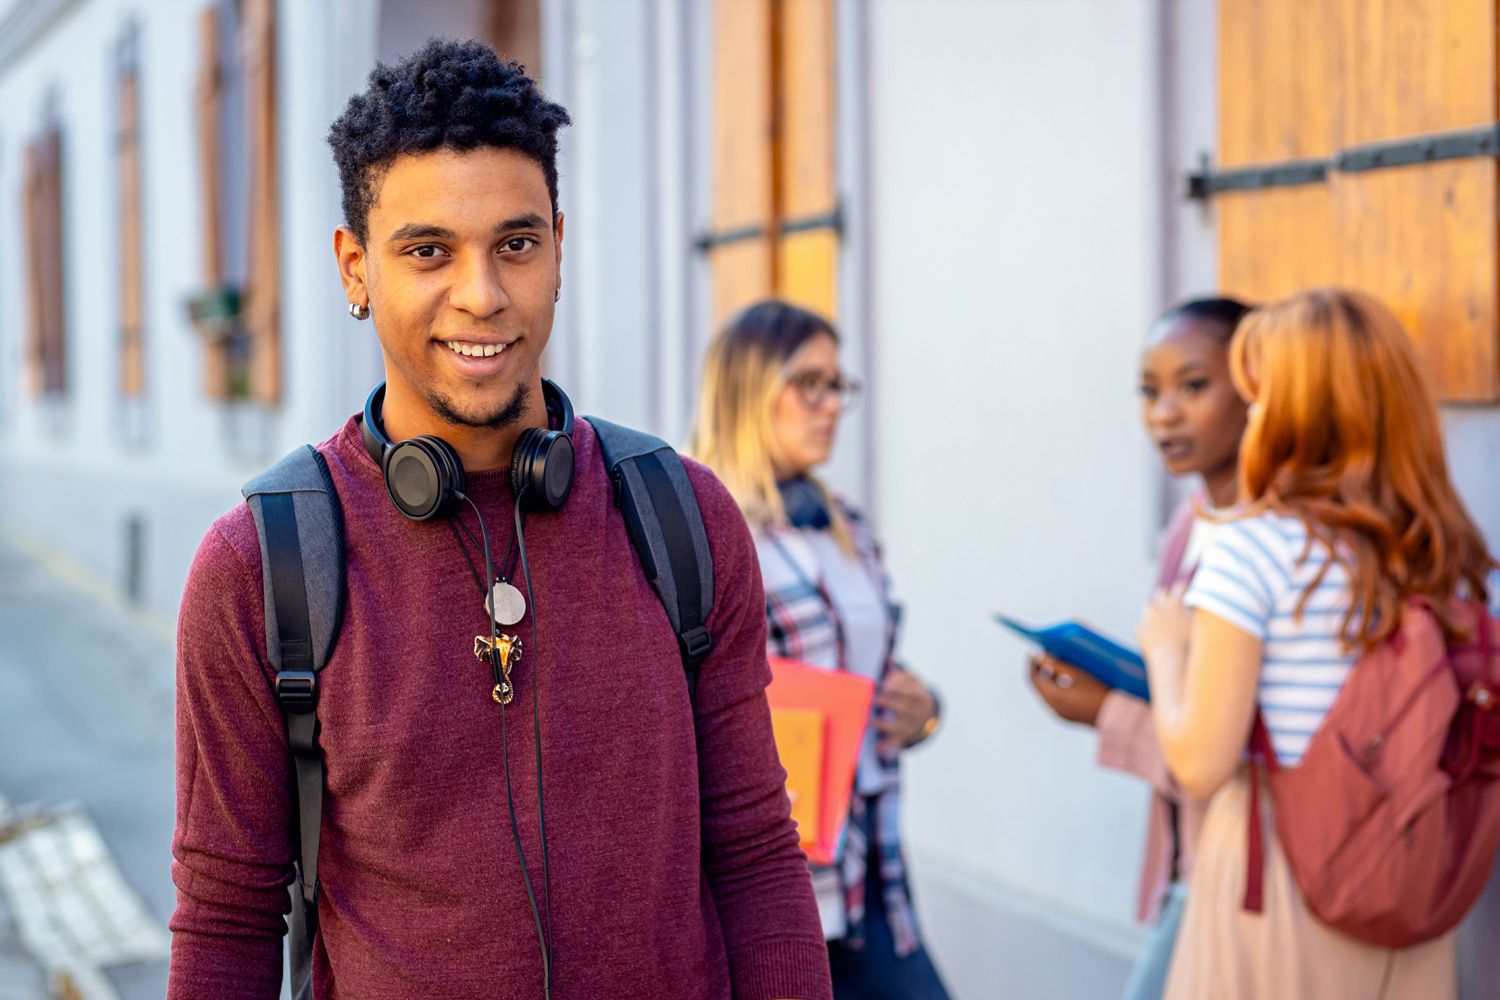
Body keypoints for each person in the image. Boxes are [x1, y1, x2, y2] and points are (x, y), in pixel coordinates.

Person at [166, 41, 831, 1000]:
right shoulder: (260, 567)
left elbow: (759, 857)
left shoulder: (684, 517)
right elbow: (227, 918)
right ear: (356, 267)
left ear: (558, 247)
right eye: (427, 250)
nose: (481, 294)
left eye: (515, 245)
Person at [1138, 287, 1495, 999]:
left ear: (1289, 409)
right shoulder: (1437, 550)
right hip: (1413, 883)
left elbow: (1201, 763)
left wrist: (1166, 651)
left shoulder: (1252, 550)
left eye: (1256, 392)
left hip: (1280, 882)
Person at [689, 300, 951, 1000]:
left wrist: (922, 709)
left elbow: (869, 666)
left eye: (838, 386)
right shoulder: (701, 530)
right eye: (810, 383)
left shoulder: (847, 527)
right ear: (749, 388)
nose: (831, 405)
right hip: (771, 878)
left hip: (872, 864)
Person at [1028, 297, 1251, 1000]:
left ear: (1257, 386)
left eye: (1193, 386)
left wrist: (1108, 716)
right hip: (1190, 868)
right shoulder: (1191, 526)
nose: (1164, 414)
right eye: (1149, 391)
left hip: (1245, 876)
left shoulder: (1267, 545)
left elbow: (1240, 752)